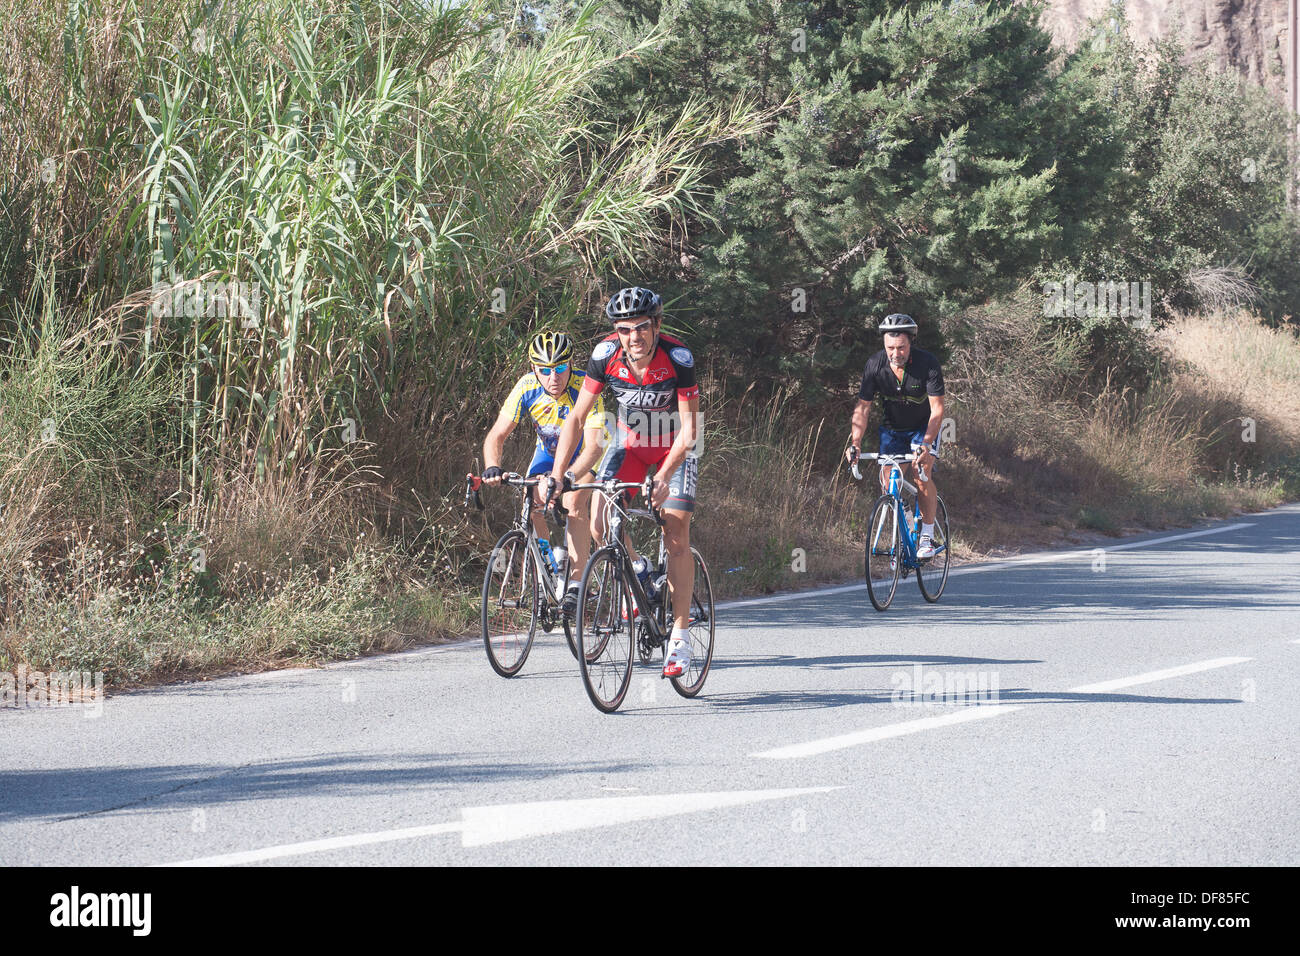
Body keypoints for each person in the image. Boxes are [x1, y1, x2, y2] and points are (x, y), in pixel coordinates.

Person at [546, 286, 701, 678]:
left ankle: (680, 640)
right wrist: (557, 475)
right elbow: (577, 418)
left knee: (677, 534)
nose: (634, 337)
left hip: (674, 450)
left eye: (642, 327)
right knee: (599, 525)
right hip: (629, 448)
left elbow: (690, 430)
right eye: (625, 329)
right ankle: (639, 571)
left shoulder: (678, 358)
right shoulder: (604, 356)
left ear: (657, 325)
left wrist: (664, 476)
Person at [482, 331, 607, 616]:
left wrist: (564, 478)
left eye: (561, 368)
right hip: (548, 454)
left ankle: (576, 584)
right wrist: (492, 465)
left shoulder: (585, 387)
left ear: (571, 364)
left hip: (585, 454)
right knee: (532, 505)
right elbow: (497, 435)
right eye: (545, 371)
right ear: (533, 368)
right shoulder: (526, 387)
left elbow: (593, 449)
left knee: (573, 504)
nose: (554, 377)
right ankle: (550, 571)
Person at [845, 313, 946, 558]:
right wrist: (855, 442)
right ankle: (908, 524)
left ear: (910, 343)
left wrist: (926, 444)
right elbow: (863, 408)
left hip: (923, 428)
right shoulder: (875, 365)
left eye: (901, 347)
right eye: (890, 347)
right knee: (887, 482)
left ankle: (927, 536)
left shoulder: (927, 364)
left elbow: (937, 409)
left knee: (921, 474)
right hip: (892, 429)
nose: (895, 353)